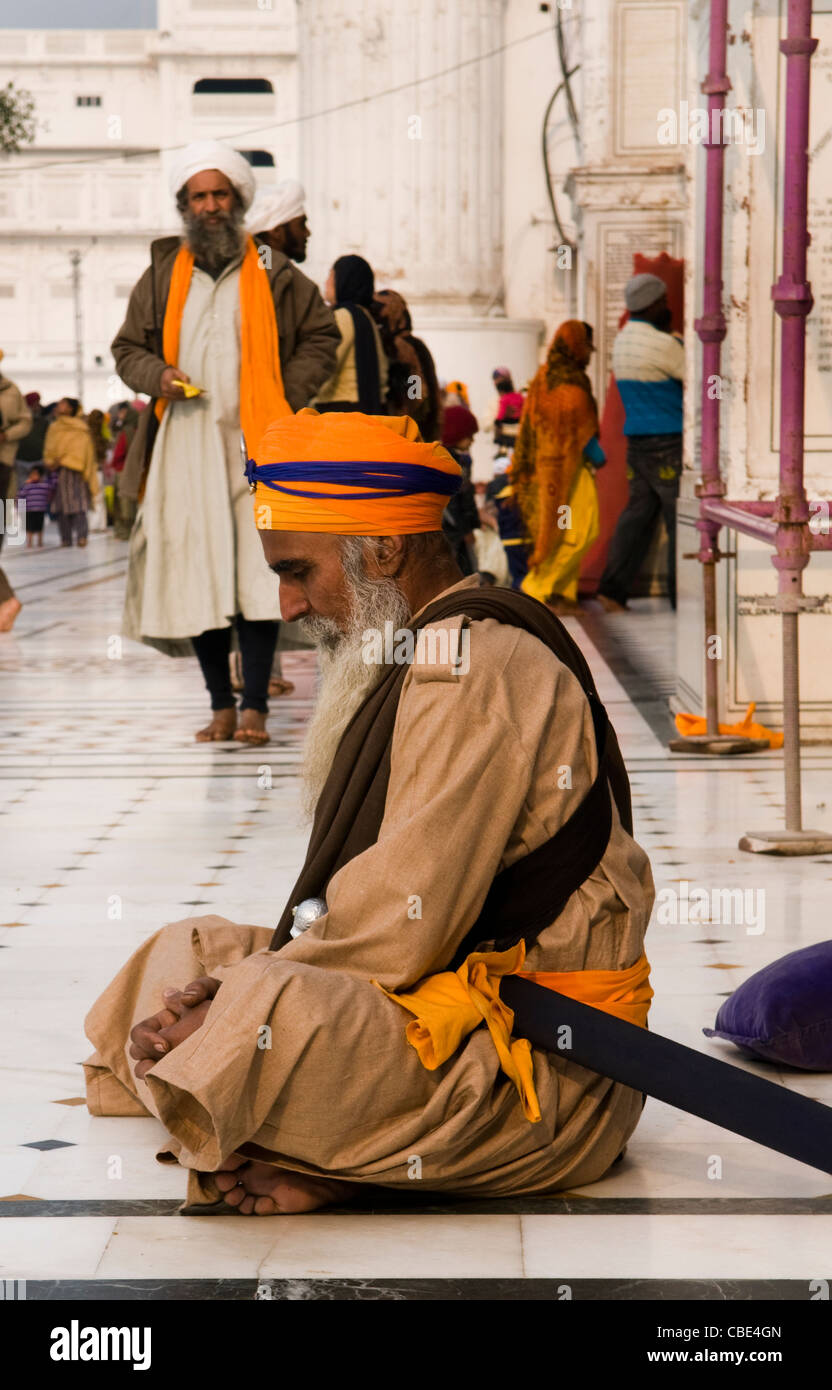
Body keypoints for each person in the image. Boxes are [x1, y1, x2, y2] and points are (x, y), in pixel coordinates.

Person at [83, 408, 653, 1215]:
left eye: (298, 572)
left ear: (383, 550)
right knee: (182, 952)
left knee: (257, 1012)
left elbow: (402, 921)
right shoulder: (428, 645)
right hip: (439, 1007)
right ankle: (303, 1133)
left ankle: (319, 1147)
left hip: (543, 1073)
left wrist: (241, 999)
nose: (286, 607)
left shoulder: (468, 666)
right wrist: (227, 986)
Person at [111, 139, 339, 745]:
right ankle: (219, 706)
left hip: (259, 445)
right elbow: (126, 349)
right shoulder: (163, 273)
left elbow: (321, 336)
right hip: (184, 446)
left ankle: (256, 706)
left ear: (238, 201)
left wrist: (282, 394)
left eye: (220, 194)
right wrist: (157, 375)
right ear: (185, 205)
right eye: (199, 196)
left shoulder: (273, 270)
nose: (210, 205)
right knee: (198, 574)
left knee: (257, 575)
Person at [597, 273, 684, 613]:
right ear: (652, 304)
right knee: (680, 520)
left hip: (638, 444)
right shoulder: (663, 344)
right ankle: (684, 598)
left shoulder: (624, 341)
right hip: (670, 443)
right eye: (663, 302)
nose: (667, 307)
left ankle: (612, 590)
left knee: (636, 516)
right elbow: (688, 372)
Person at [512, 321, 605, 616]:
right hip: (567, 474)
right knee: (581, 530)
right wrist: (600, 456)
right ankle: (539, 587)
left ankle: (561, 593)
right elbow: (583, 435)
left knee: (565, 531)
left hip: (546, 473)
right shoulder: (571, 387)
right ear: (576, 346)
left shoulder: (544, 378)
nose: (590, 353)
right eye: (587, 346)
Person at [313, 255, 388, 414]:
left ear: (343, 280)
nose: (326, 283)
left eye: (331, 276)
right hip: (364, 406)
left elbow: (325, 362)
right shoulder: (365, 317)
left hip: (341, 408)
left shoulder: (343, 316)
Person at [371, 288, 442, 442]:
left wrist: (404, 414)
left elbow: (416, 392)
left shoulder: (403, 347)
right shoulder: (411, 345)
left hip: (408, 430)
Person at [0, 355, 32, 631]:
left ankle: (7, 601)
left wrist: (6, 435)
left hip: (2, 467)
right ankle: (6, 601)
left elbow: (25, 422)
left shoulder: (10, 391)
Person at [43, 397, 99, 549]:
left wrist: (71, 460)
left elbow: (85, 449)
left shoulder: (80, 427)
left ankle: (82, 536)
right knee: (61, 507)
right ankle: (65, 538)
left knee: (79, 506)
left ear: (70, 408)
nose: (59, 406)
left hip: (77, 472)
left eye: (63, 404)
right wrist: (52, 462)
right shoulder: (54, 427)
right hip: (58, 473)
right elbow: (50, 447)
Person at [440, 404, 481, 576]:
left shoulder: (448, 459)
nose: (472, 440)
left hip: (453, 530)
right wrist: (467, 530)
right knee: (463, 572)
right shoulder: (453, 463)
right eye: (469, 435)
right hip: (456, 533)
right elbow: (456, 500)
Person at [245, 178, 310, 264]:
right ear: (276, 232)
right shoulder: (263, 273)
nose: (308, 233)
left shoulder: (269, 270)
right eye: (301, 225)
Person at [18, 464, 56, 548]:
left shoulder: (43, 485)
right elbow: (21, 495)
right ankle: (29, 541)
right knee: (29, 527)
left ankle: (40, 541)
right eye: (32, 474)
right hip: (29, 510)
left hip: (40, 509)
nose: (33, 476)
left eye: (36, 474)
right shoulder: (27, 486)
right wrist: (24, 484)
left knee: (39, 526)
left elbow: (51, 488)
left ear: (40, 475)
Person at [491, 368, 525, 452]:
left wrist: (497, 421)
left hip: (508, 428)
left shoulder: (504, 399)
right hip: (519, 425)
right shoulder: (520, 396)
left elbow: (501, 413)